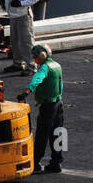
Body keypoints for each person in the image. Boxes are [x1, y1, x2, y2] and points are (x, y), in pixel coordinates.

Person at [18, 43, 65, 173]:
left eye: (35, 57)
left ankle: (36, 162)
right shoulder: (57, 65)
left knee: (42, 135)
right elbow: (61, 84)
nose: (34, 60)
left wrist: (26, 92)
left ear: (41, 56)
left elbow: (36, 79)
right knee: (58, 133)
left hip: (48, 106)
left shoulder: (44, 68)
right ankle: (57, 162)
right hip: (59, 104)